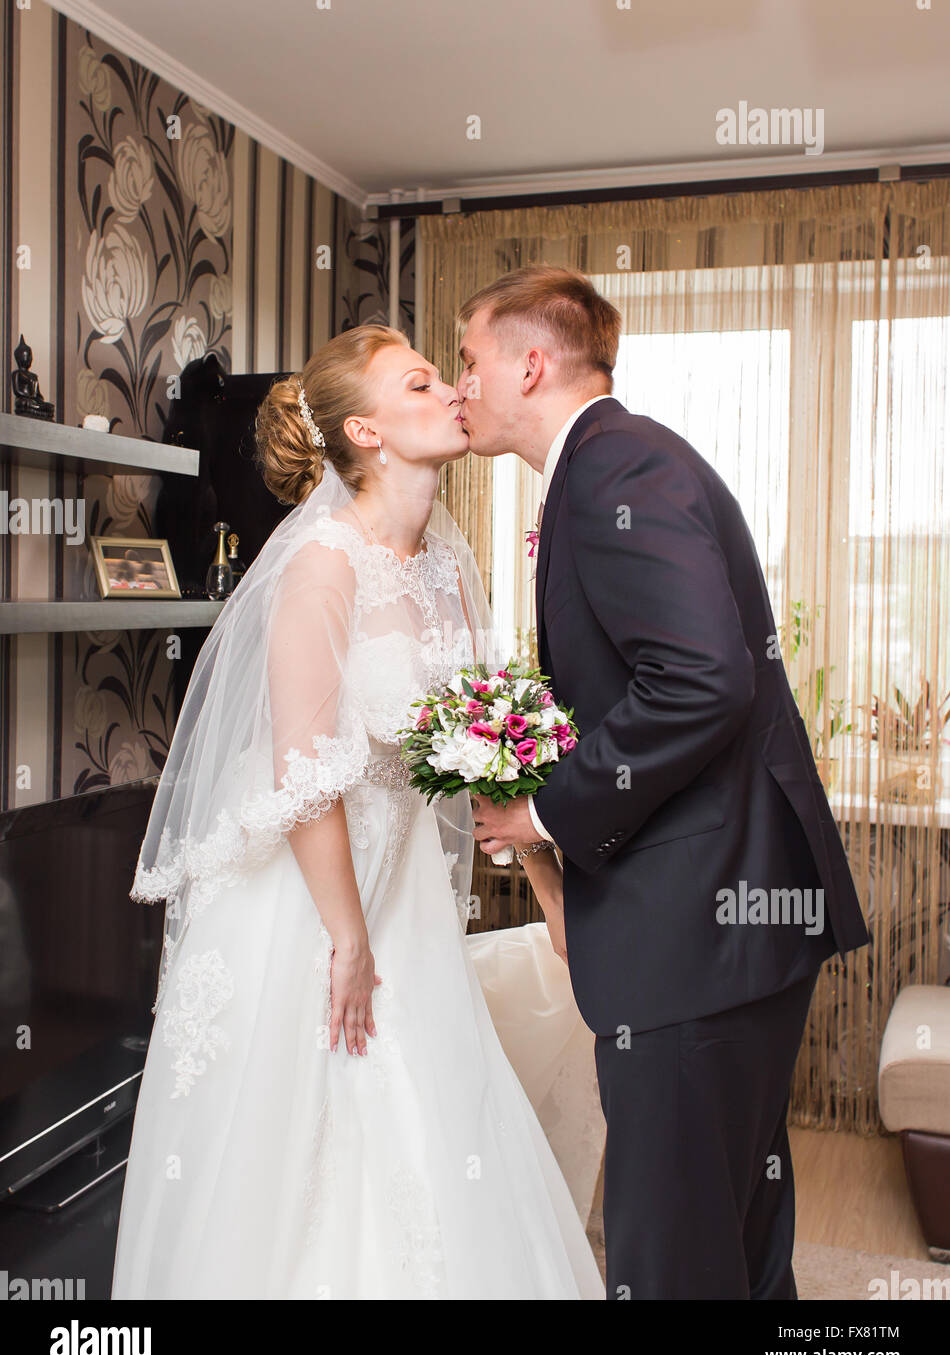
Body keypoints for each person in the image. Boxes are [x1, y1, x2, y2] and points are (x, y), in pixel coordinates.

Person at [110, 323, 605, 1300]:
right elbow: (304, 780)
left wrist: (551, 896)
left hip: (406, 891)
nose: (449, 391)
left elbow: (481, 747)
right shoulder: (320, 565)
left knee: (438, 1122)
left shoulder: (446, 566)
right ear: (367, 432)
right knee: (315, 1141)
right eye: (420, 382)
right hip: (308, 903)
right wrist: (346, 942)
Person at [460, 265, 870, 1300]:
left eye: (468, 361)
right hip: (726, 927)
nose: (460, 384)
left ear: (530, 362)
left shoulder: (610, 473)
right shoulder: (620, 462)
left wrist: (542, 809)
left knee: (674, 1255)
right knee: (733, 1235)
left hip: (693, 934)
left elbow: (700, 679)